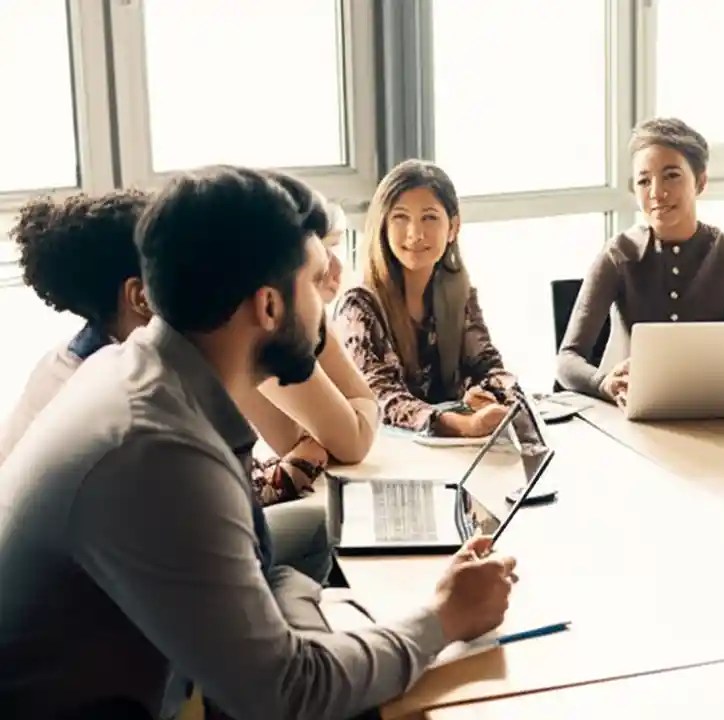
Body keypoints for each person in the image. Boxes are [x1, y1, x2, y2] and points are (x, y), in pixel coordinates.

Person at [0, 166, 517, 719]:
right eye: (315, 281)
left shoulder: (140, 370)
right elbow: (287, 694)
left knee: (320, 577)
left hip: (148, 681)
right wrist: (444, 617)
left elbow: (263, 572)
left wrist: (312, 622)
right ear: (269, 308)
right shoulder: (157, 448)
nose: (326, 303)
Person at [0, 188, 377, 583]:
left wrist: (296, 318)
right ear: (142, 297)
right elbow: (223, 495)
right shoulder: (126, 391)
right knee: (324, 531)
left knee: (318, 530)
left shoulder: (105, 358)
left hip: (109, 569)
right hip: (102, 589)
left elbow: (285, 438)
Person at [555, 117, 724, 404]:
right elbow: (567, 360)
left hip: (713, 409)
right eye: (644, 181)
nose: (656, 193)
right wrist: (603, 383)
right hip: (632, 414)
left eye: (671, 176)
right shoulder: (618, 254)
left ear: (700, 182)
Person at [335, 159, 517, 436]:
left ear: (453, 227)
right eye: (400, 217)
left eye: (429, 218)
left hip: (453, 449)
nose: (415, 234)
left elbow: (488, 366)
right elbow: (382, 397)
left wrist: (488, 395)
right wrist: (463, 425)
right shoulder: (358, 306)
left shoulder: (459, 293)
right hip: (382, 452)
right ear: (382, 225)